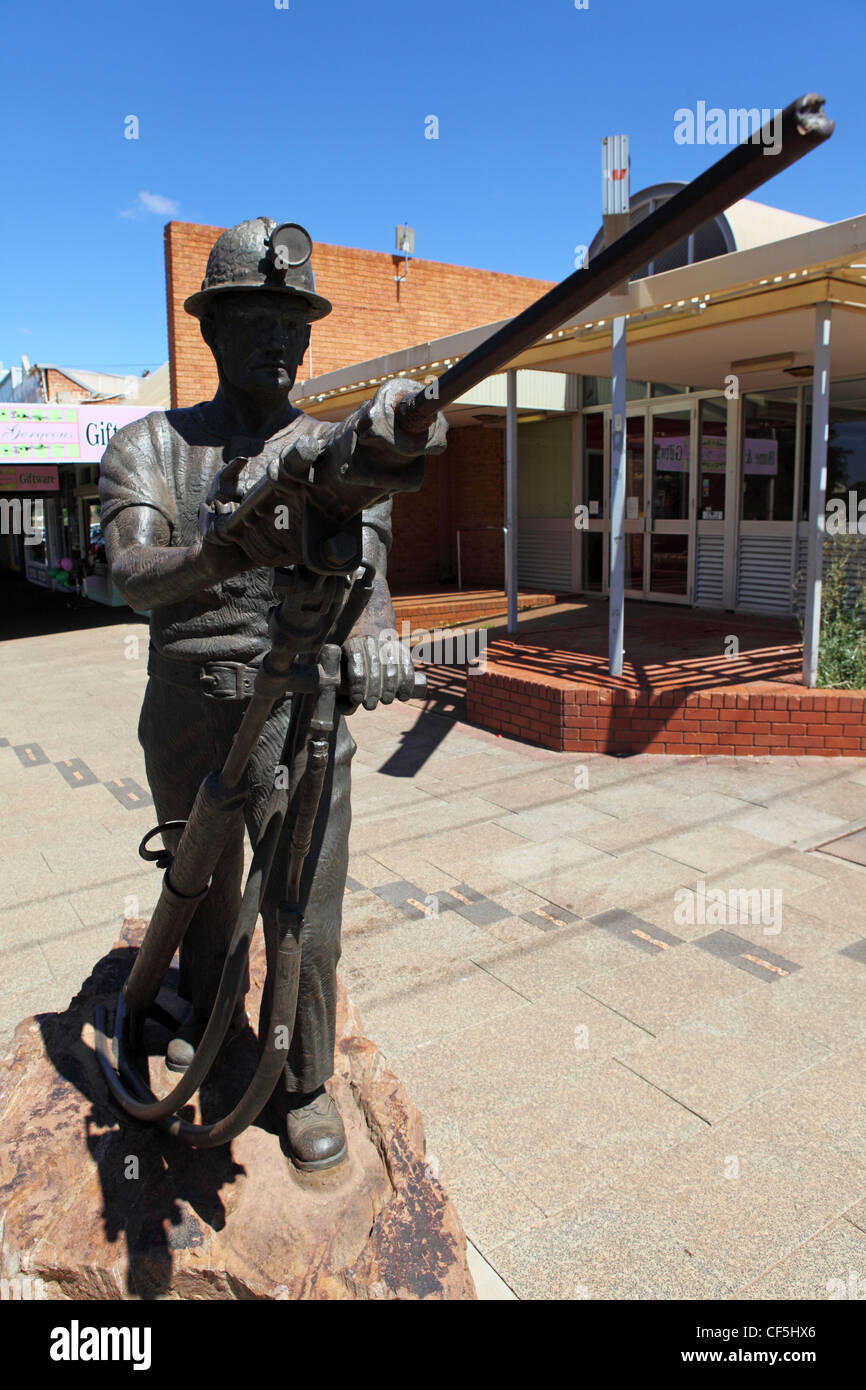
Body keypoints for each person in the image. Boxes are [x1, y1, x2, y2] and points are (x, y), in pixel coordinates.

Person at [100, 217, 446, 1171]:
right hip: (185, 708)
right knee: (199, 890)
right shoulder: (147, 447)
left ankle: (301, 1081)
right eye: (256, 323)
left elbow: (366, 566)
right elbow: (130, 572)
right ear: (210, 333)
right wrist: (217, 551)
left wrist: (375, 643)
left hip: (300, 711)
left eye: (293, 327)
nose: (280, 344)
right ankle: (212, 1034)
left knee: (305, 909)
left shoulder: (338, 452)